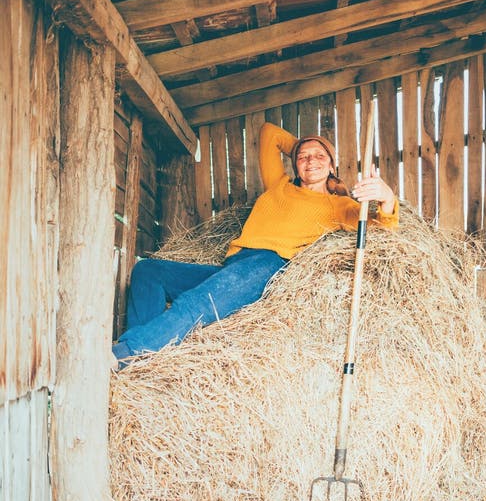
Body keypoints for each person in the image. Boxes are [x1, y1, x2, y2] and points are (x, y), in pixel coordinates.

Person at [112, 121, 399, 369]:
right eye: (303, 156)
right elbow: (269, 133)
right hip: (235, 264)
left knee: (197, 303)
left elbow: (381, 227)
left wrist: (386, 198)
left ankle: (125, 354)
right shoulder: (279, 184)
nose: (311, 161)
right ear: (295, 163)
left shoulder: (339, 205)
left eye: (320, 156)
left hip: (270, 265)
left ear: (332, 165)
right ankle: (141, 361)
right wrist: (302, 146)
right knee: (149, 271)